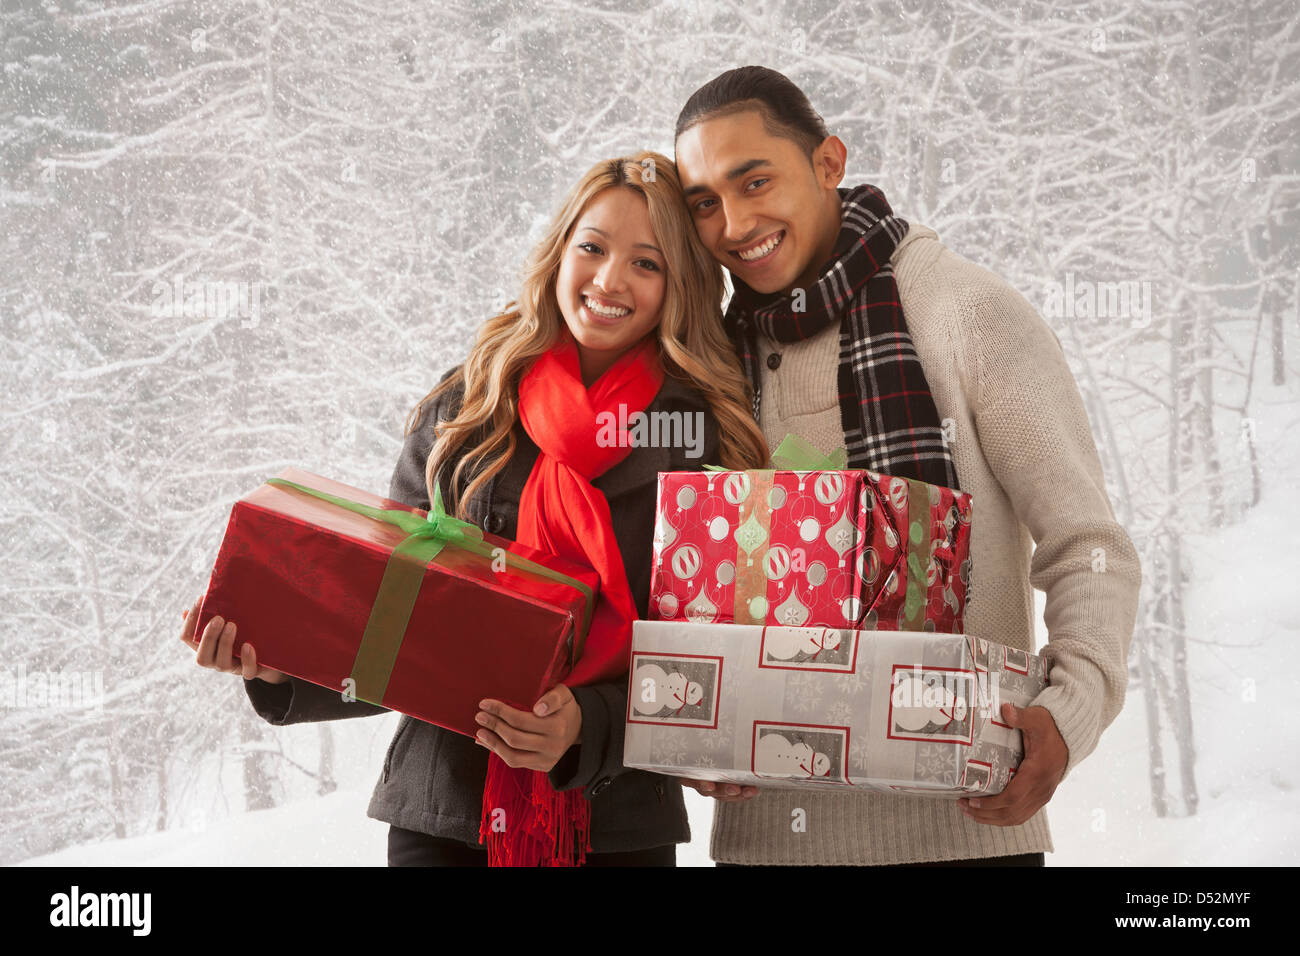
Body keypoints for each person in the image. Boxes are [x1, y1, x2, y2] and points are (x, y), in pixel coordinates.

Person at [179, 150, 770, 866]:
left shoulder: (699, 439)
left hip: (616, 824)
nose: (610, 279)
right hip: (446, 817)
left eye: (647, 263)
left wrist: (592, 722)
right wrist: (275, 666)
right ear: (559, 253)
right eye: (592, 247)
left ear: (678, 284)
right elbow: (389, 622)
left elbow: (713, 659)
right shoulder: (468, 407)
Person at [670, 66, 1143, 866]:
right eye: (705, 203)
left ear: (828, 163)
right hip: (765, 846)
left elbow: (1089, 546)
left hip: (967, 831)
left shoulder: (966, 314)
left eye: (755, 181)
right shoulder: (717, 358)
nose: (735, 222)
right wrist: (696, 729)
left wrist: (1068, 715)